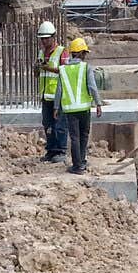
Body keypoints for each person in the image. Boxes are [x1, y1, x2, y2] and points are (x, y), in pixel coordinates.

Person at [53, 36, 103, 175]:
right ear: (81, 53)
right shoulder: (86, 67)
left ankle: (78, 166)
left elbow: (59, 90)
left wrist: (56, 107)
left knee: (75, 137)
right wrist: (98, 103)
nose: (86, 56)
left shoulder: (63, 70)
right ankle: (81, 161)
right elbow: (92, 87)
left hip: (70, 110)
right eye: (85, 53)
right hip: (84, 109)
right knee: (84, 135)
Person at [35, 19, 67, 162]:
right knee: (47, 124)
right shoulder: (41, 53)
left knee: (59, 124)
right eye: (42, 39)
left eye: (46, 38)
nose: (43, 41)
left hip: (57, 96)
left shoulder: (62, 51)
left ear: (53, 37)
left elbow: (66, 72)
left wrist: (48, 68)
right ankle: (51, 150)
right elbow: (37, 74)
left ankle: (61, 150)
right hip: (45, 95)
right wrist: (37, 68)